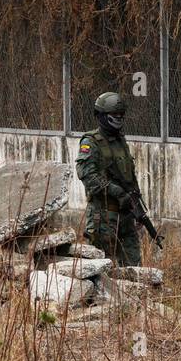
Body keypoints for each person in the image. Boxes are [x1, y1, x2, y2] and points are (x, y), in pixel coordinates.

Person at [75, 91, 147, 266]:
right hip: (104, 216)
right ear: (101, 115)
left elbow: (129, 175)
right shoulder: (90, 142)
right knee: (101, 267)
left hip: (126, 216)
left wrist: (136, 204)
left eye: (121, 115)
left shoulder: (120, 141)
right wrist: (117, 192)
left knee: (134, 268)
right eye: (115, 115)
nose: (119, 118)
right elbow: (88, 176)